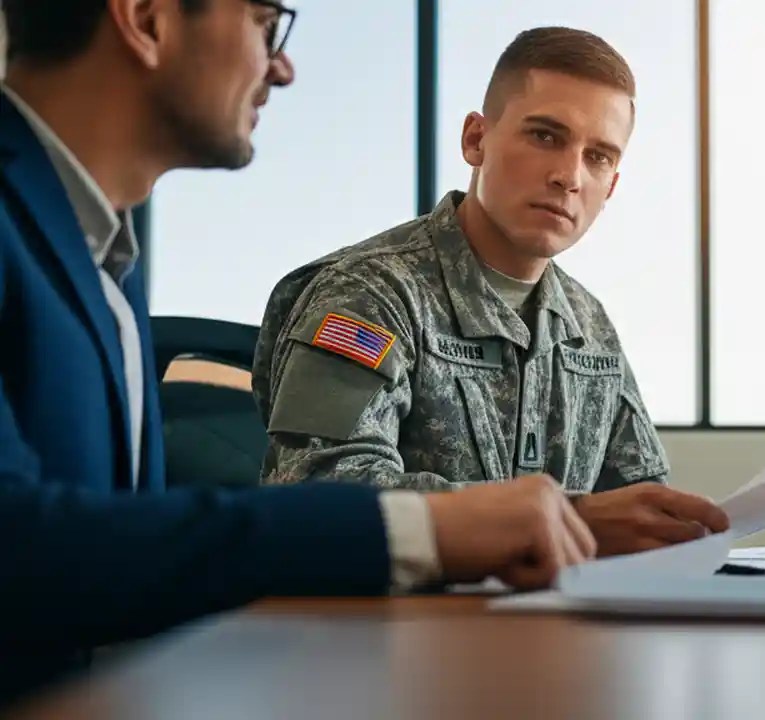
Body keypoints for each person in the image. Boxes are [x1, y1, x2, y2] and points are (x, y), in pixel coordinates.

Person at [0, 0, 594, 702]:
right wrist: (422, 525)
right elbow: (19, 548)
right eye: (261, 22)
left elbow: (116, 573)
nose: (281, 67)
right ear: (148, 18)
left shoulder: (105, 260)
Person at [253, 26, 730, 557]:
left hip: (559, 631)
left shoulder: (588, 326)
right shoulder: (372, 293)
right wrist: (572, 519)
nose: (568, 176)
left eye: (598, 156)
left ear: (611, 184)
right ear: (476, 140)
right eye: (545, 136)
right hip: (391, 633)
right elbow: (318, 498)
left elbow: (642, 505)